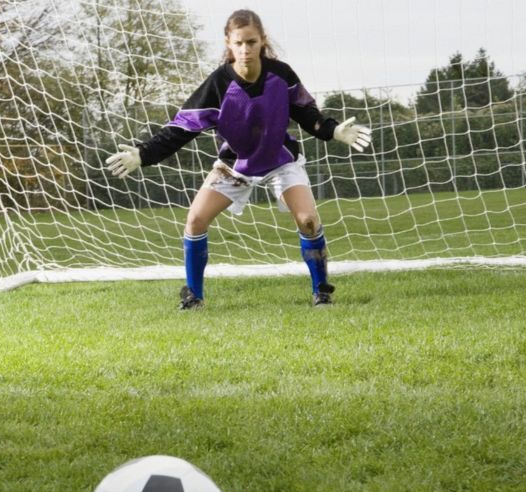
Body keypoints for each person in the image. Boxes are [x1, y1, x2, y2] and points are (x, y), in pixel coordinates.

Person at [106, 9, 372, 308]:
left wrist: (332, 130)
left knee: (308, 220)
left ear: (262, 42)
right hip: (235, 165)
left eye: (251, 42)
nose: (245, 49)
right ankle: (194, 297)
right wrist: (144, 154)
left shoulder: (280, 74)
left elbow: (305, 112)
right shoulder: (218, 84)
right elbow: (181, 128)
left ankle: (321, 291)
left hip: (280, 160)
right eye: (238, 43)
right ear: (228, 44)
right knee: (195, 220)